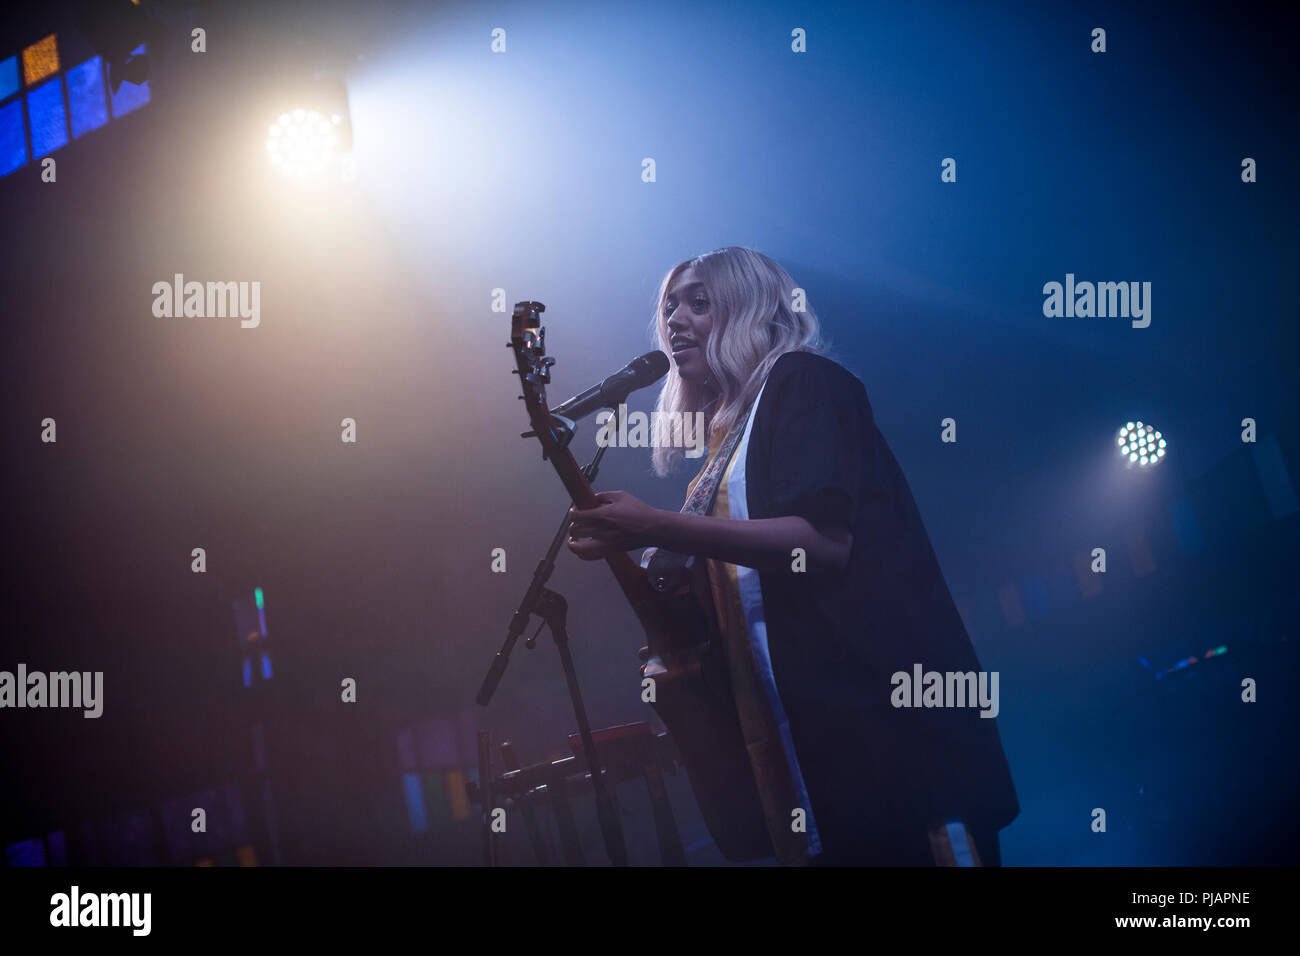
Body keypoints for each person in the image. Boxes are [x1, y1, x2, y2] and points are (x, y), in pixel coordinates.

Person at [566, 246, 1019, 866]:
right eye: (669, 305)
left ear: (751, 309)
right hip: (819, 756)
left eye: (700, 302)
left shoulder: (804, 383)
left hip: (895, 744)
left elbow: (820, 545)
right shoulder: (728, 441)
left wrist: (657, 525)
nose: (674, 319)